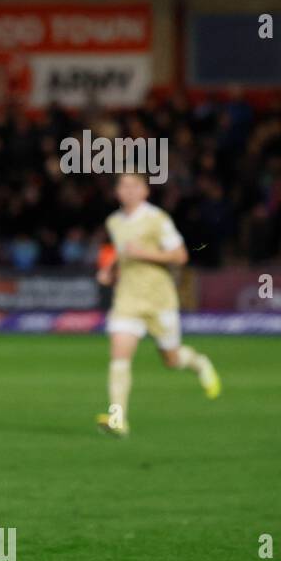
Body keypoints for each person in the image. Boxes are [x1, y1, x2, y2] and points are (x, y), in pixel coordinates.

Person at [96, 173, 220, 437]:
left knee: (171, 360)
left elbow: (181, 255)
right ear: (117, 192)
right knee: (119, 356)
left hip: (158, 299)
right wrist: (111, 271)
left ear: (145, 191)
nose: (128, 190)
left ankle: (199, 363)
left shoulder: (158, 220)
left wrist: (145, 254)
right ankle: (118, 418)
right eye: (123, 186)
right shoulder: (114, 222)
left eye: (134, 186)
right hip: (127, 298)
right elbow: (123, 253)